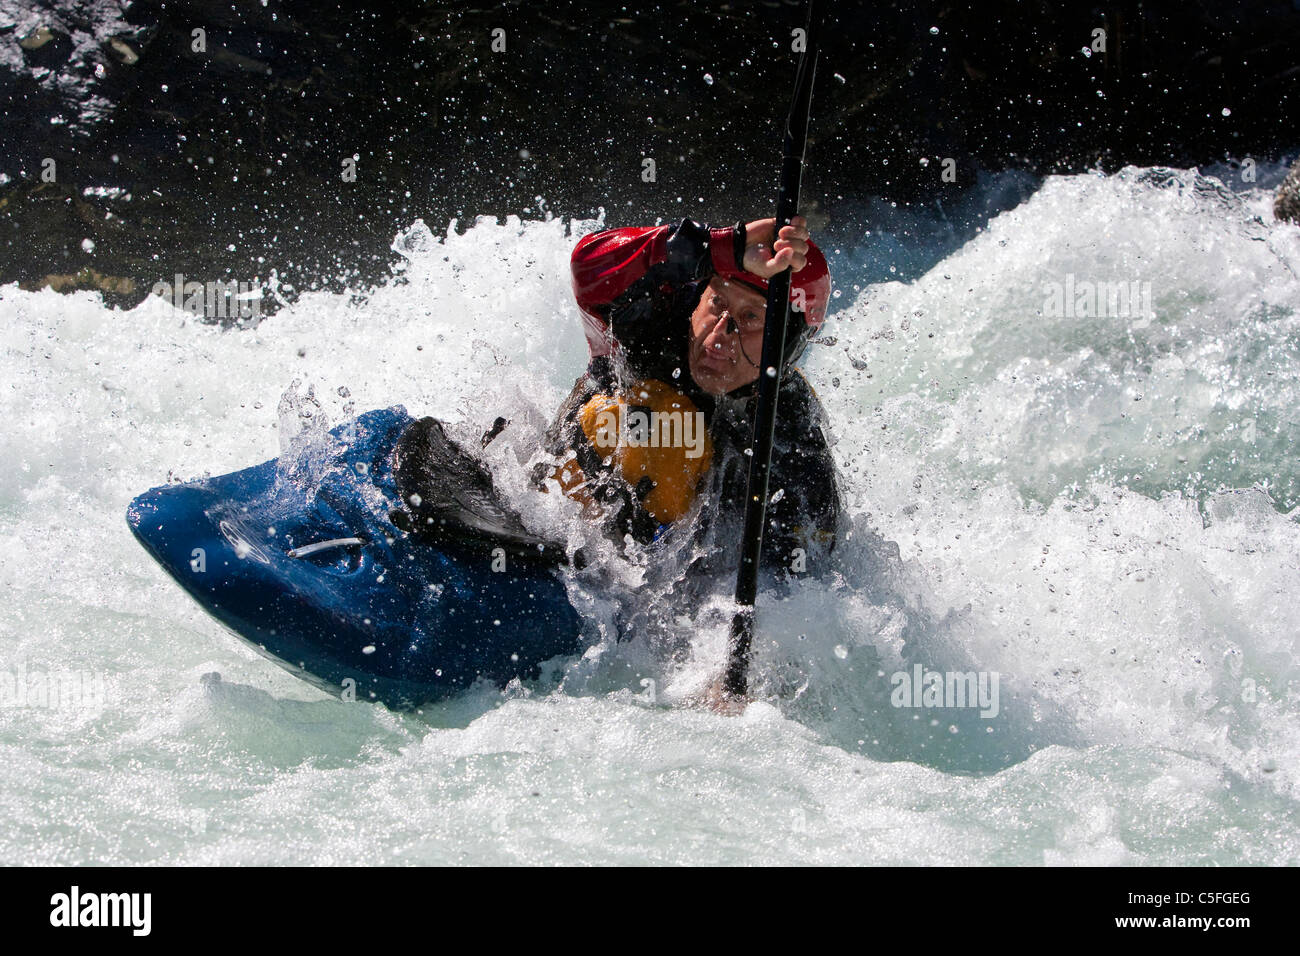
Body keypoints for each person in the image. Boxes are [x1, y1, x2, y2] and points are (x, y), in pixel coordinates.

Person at [534, 214, 842, 579]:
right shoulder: (651, 320)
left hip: (688, 564)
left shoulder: (793, 433)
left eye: (750, 318)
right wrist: (720, 248)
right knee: (671, 426)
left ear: (788, 345)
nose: (715, 340)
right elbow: (587, 265)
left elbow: (810, 571)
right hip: (571, 492)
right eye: (716, 304)